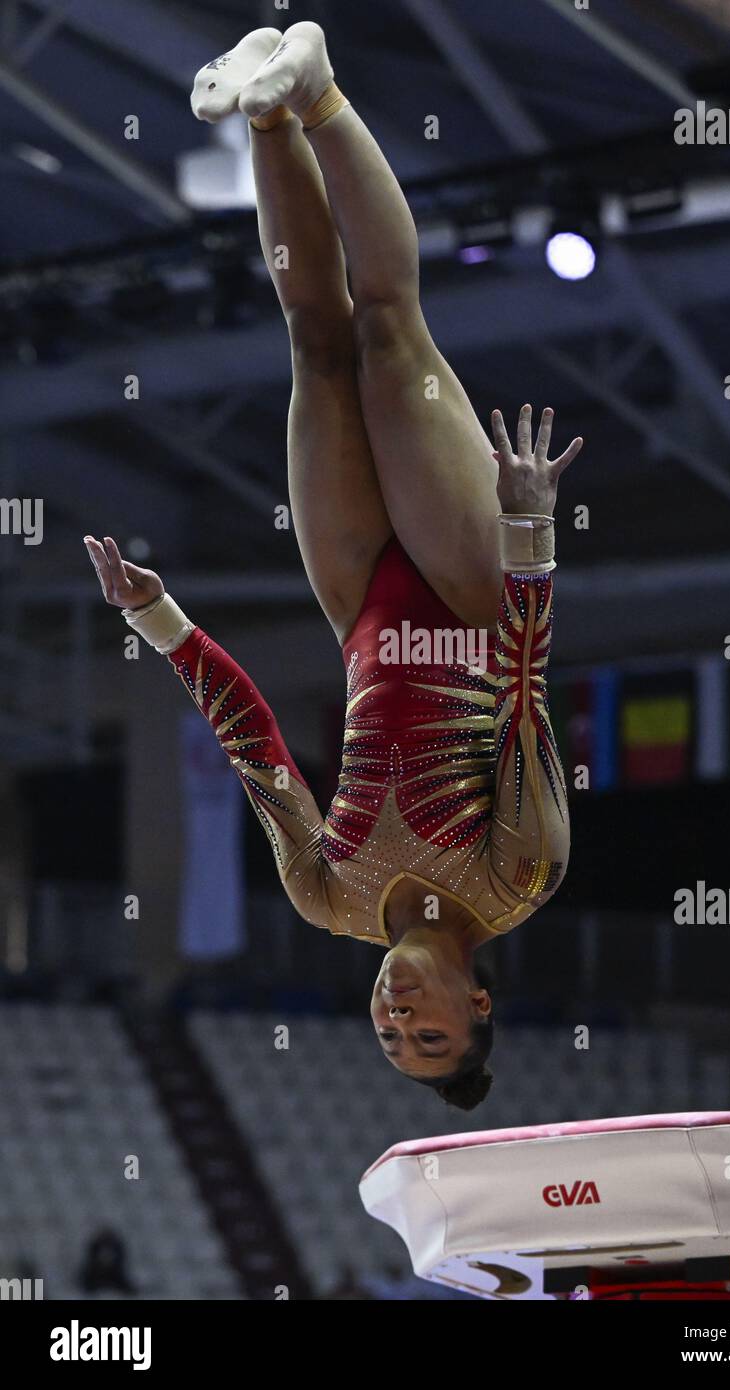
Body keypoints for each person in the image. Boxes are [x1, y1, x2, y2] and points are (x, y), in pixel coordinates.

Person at [84, 21, 581, 1109]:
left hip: (357, 605)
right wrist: (526, 534)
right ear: (478, 1005)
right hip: (463, 588)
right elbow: (528, 693)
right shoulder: (520, 876)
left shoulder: (325, 898)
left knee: (314, 343)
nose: (395, 1019)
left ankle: (265, 111)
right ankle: (317, 91)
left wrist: (163, 621)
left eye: (390, 1038)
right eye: (428, 1032)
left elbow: (253, 749)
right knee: (389, 329)